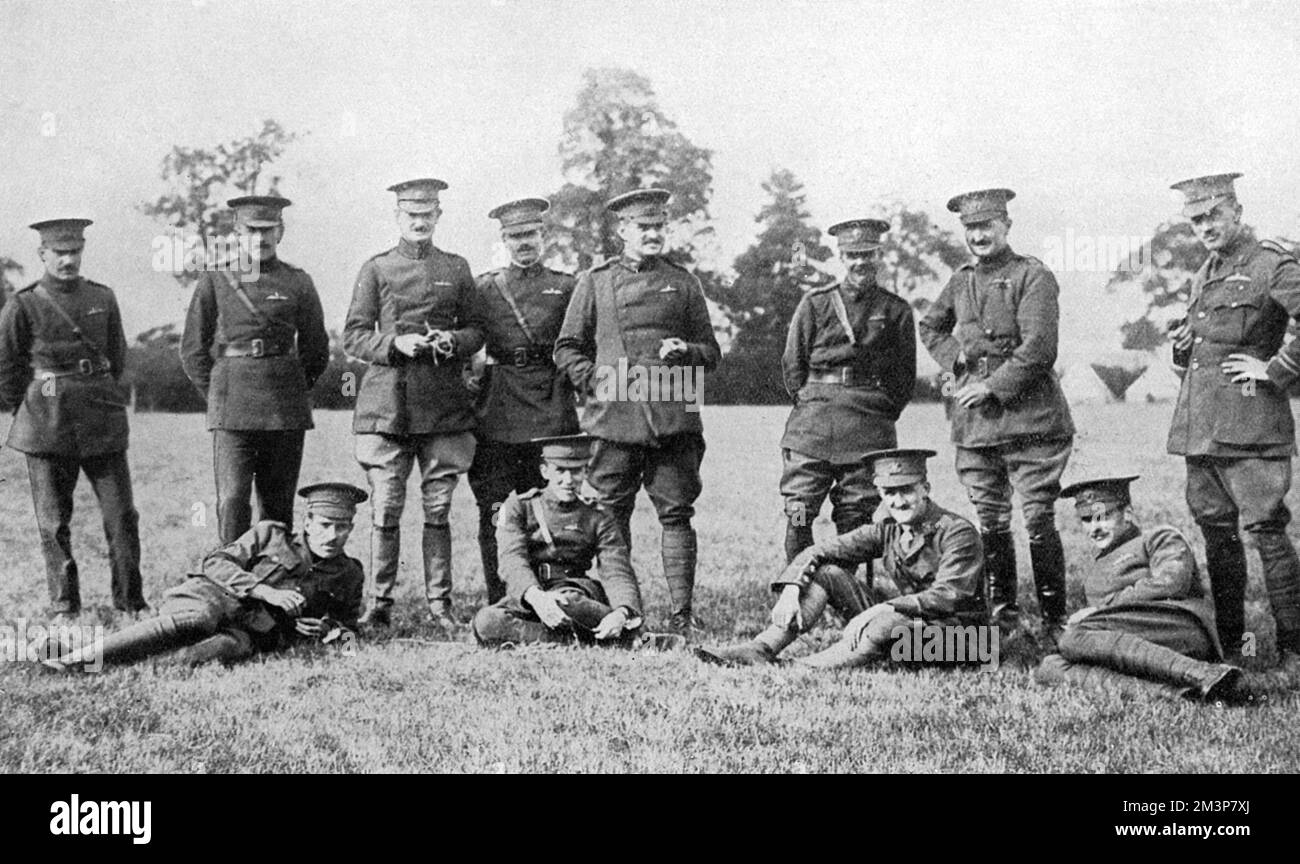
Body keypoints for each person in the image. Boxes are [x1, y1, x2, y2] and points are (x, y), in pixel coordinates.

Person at [554, 188, 721, 636]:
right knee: (610, 516)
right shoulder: (595, 281)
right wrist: (597, 381)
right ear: (623, 230)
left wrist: (687, 351)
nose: (653, 234)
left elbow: (711, 352)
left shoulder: (684, 282)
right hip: (614, 419)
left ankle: (683, 613)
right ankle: (623, 610)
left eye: (659, 226)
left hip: (673, 416)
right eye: (644, 227)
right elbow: (567, 348)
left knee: (677, 513)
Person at [918, 188, 1074, 647]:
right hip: (976, 425)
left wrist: (992, 385)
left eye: (986, 226)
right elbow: (930, 326)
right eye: (971, 228)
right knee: (990, 520)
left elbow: (1039, 347)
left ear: (1006, 225)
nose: (979, 236)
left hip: (1031, 420)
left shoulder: (1033, 276)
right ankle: (1004, 619)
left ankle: (1054, 622)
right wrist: (956, 360)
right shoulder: (961, 280)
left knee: (1038, 518)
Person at [1166, 172, 1300, 664]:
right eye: (1196, 220)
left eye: (1213, 215)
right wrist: (1181, 348)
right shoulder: (1204, 271)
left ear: (1237, 212)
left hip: (1251, 426)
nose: (1205, 226)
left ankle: (1294, 650)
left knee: (1266, 532)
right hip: (1201, 428)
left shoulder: (1270, 263)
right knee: (1217, 535)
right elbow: (1202, 352)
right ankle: (1233, 646)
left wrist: (1276, 369)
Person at [344, 178, 486, 631]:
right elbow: (354, 336)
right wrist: (394, 344)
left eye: (428, 214)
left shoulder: (457, 268)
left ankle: (440, 604)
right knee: (385, 507)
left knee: (438, 508)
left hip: (443, 404)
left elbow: (477, 331)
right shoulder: (376, 268)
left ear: (438, 216)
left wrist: (453, 340)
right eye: (412, 215)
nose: (420, 222)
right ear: (398, 217)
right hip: (388, 406)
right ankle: (378, 604)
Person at [694, 448, 986, 669]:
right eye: (889, 493)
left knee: (885, 625)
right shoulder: (888, 529)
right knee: (827, 574)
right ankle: (761, 648)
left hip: (964, 642)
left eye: (906, 490)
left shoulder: (956, 531)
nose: (898, 501)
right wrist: (792, 588)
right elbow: (820, 551)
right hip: (913, 626)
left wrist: (881, 608)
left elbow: (948, 595)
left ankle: (801, 668)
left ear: (926, 489)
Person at [45, 483, 367, 671]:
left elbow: (350, 629)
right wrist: (265, 592)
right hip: (212, 598)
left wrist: (327, 628)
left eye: (341, 527)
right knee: (199, 621)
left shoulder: (350, 574)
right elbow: (216, 562)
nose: (332, 535)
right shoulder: (271, 534)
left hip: (253, 631)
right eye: (325, 525)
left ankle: (110, 661)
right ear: (308, 523)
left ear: (351, 528)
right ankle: (80, 658)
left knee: (219, 650)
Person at [0, 218, 146, 622]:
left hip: (101, 419)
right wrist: (31, 406)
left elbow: (116, 357)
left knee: (122, 516)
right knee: (53, 523)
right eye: (59, 253)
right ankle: (65, 605)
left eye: (74, 252)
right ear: (42, 254)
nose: (68, 260)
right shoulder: (23, 304)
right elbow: (7, 370)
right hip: (46, 422)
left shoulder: (102, 297)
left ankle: (131, 602)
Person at [180, 195, 330, 543]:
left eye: (268, 230)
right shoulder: (216, 278)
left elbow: (316, 349)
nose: (260, 238)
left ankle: (274, 573)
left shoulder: (298, 281)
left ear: (280, 231)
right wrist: (219, 393)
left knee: (278, 507)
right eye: (252, 230)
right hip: (233, 408)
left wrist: (291, 388)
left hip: (284, 410)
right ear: (237, 232)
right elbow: (192, 350)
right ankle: (232, 573)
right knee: (232, 501)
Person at [1035, 476, 1243, 702]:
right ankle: (1176, 694)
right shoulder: (1094, 576)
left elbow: (1171, 582)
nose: (1095, 528)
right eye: (1087, 520)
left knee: (1074, 637)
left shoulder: (1158, 537)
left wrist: (1100, 611)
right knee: (1050, 666)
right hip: (1136, 644)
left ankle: (1205, 673)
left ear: (1127, 513)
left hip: (1178, 626)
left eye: (1103, 517)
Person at [780, 217, 915, 562]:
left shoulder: (896, 310)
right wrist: (811, 401)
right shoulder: (815, 303)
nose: (860, 262)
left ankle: (842, 588)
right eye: (853, 255)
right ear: (841, 257)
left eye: (867, 254)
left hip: (867, 429)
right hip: (813, 426)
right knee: (798, 511)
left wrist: (879, 409)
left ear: (879, 255)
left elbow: (903, 378)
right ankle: (796, 584)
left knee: (855, 518)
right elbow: (793, 364)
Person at [469, 198, 579, 604]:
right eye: (515, 236)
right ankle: (501, 597)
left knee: (550, 507)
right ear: (503, 239)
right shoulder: (484, 288)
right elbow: (466, 339)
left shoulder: (567, 287)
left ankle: (552, 591)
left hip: (551, 408)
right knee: (496, 510)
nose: (524, 243)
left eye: (530, 234)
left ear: (543, 235)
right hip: (499, 410)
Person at [471, 434, 671, 648]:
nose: (568, 480)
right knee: (486, 621)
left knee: (568, 601)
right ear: (544, 471)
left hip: (577, 595)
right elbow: (512, 559)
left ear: (586, 472)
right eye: (560, 470)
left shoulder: (598, 515)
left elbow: (616, 569)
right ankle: (597, 640)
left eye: (575, 471)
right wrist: (537, 598)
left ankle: (615, 632)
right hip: (532, 593)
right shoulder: (518, 507)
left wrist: (622, 612)